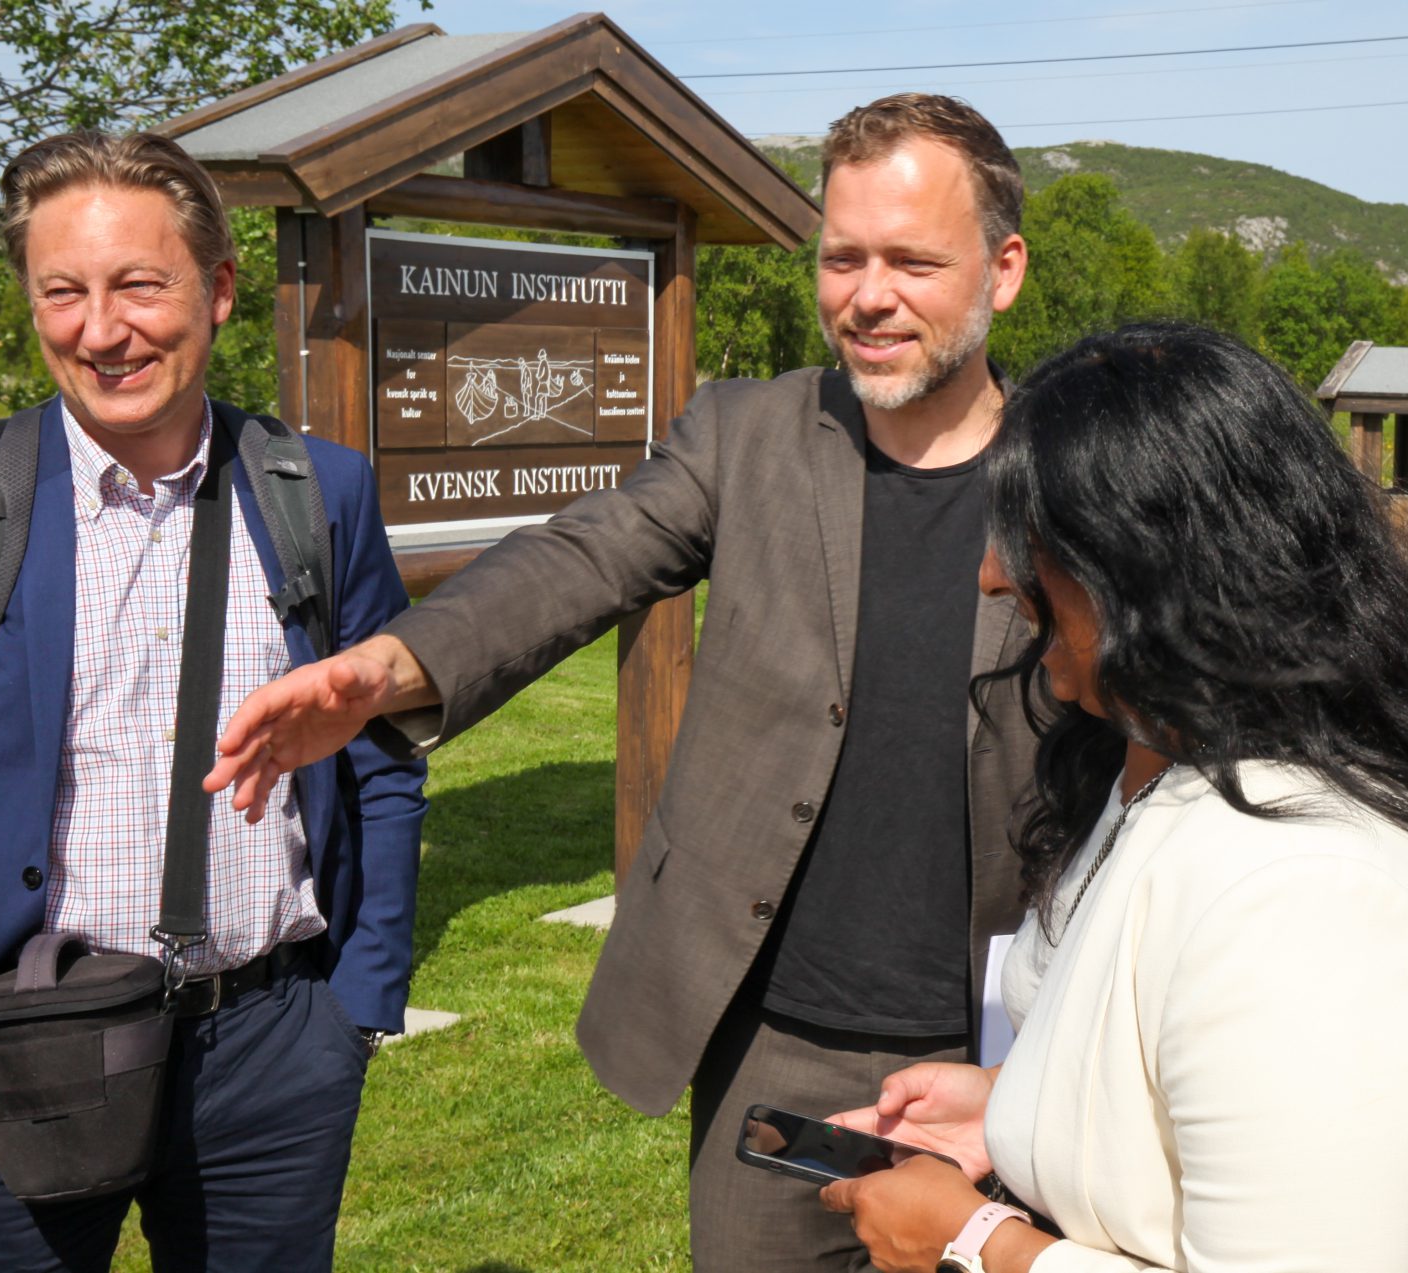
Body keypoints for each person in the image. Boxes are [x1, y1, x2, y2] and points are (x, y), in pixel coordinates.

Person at [202, 94, 1043, 1270]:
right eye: (842, 258)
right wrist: (394, 664)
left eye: (912, 260)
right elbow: (582, 554)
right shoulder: (748, 434)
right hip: (770, 1036)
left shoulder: (1080, 472)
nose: (867, 295)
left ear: (1000, 271)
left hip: (1007, 1045)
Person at [0, 131, 426, 1271]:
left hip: (273, 1050)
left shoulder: (318, 493)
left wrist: (357, 1006)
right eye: (62, 292)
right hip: (13, 1051)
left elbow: (379, 758)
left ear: (219, 290)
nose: (101, 329)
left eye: (139, 284)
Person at [813, 322, 1408, 1273]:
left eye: (1033, 546)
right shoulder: (1166, 761)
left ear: (1152, 569)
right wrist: (1018, 1103)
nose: (993, 575)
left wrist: (970, 1240)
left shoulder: (1317, 896)